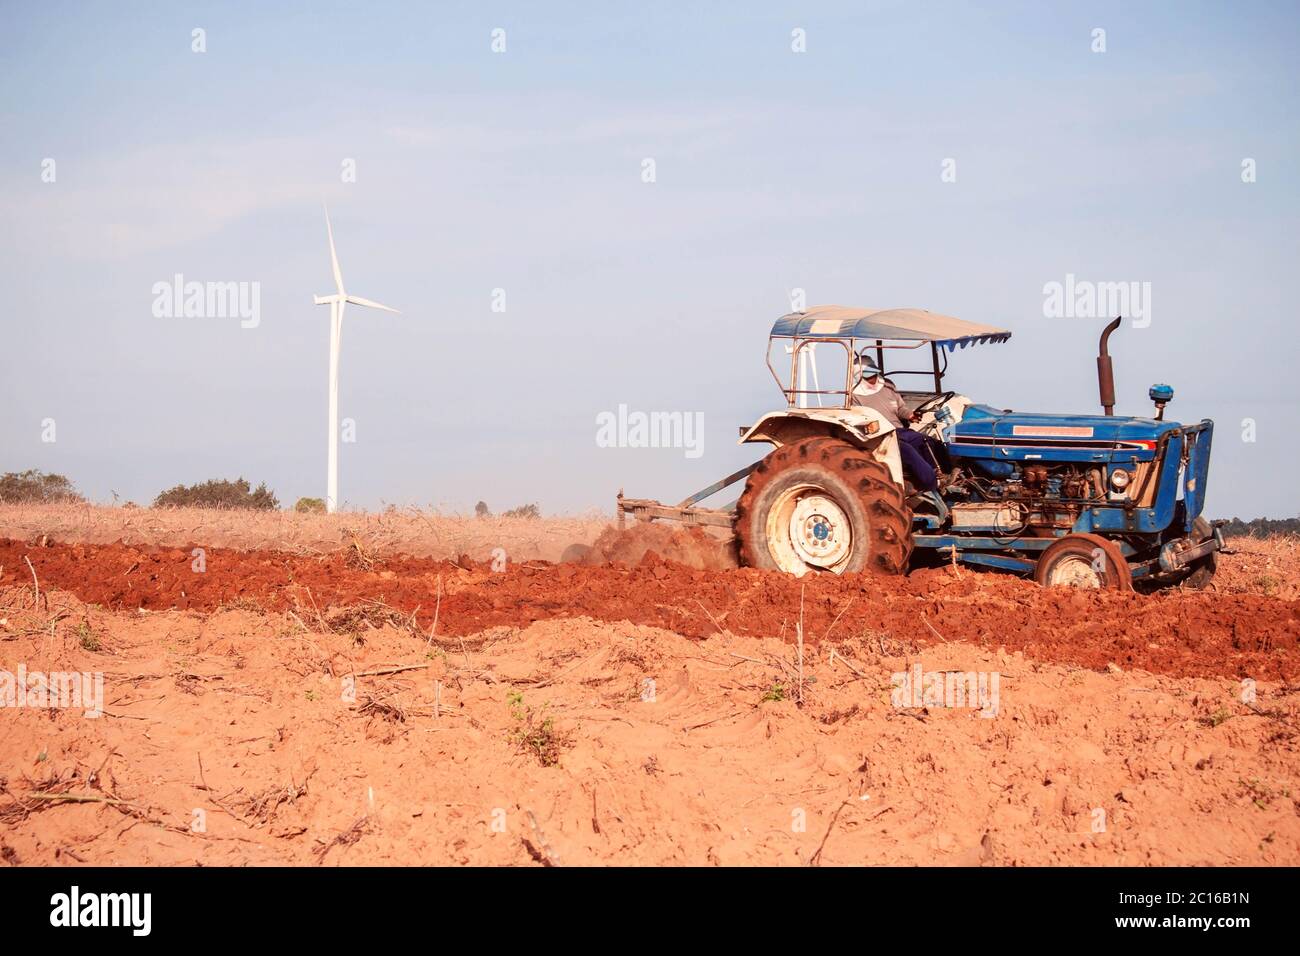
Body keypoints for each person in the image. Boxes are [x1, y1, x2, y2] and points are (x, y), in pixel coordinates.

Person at [851, 353, 951, 493]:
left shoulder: (888, 385)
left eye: (874, 374)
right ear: (859, 376)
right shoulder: (854, 396)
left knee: (927, 441)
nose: (873, 378)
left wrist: (910, 415)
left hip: (900, 430)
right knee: (907, 450)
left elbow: (900, 408)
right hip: (883, 435)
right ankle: (932, 485)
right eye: (869, 376)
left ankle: (949, 476)